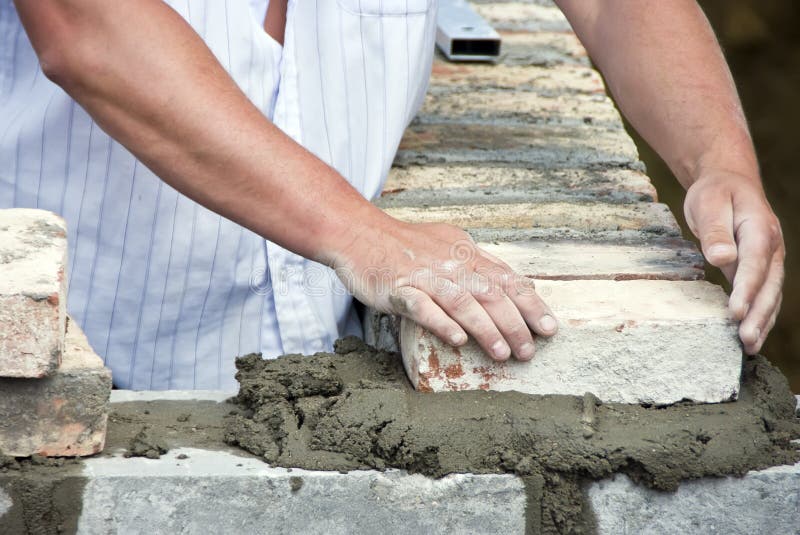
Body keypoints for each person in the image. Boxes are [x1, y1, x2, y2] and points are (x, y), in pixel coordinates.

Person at [2, 0, 783, 390]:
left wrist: (720, 159)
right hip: (57, 377)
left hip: (323, 382)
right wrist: (363, 233)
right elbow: (85, 28)